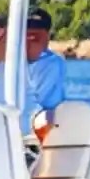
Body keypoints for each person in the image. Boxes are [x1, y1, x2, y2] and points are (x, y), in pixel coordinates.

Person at [24, 7, 67, 142]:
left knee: (48, 117)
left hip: (43, 123)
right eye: (28, 34)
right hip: (21, 122)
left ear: (47, 36)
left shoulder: (54, 62)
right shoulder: (10, 62)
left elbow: (38, 99)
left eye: (36, 36)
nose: (30, 39)